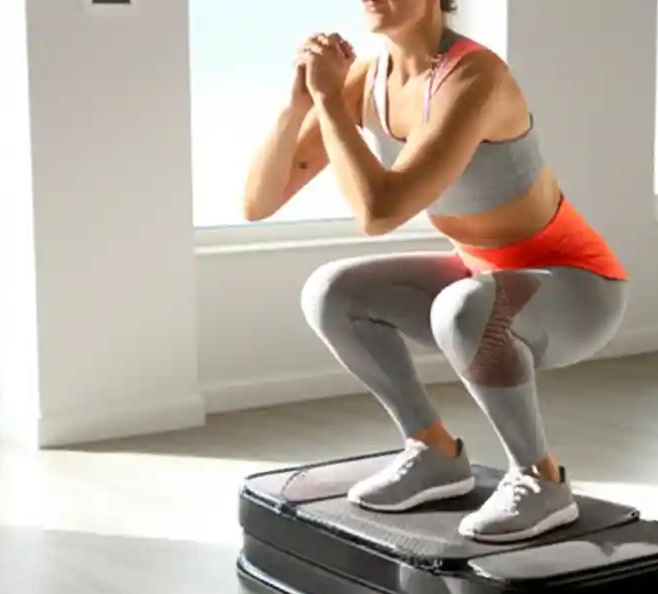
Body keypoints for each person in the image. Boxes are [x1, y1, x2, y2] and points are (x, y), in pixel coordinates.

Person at [242, 0, 628, 543]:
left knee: (465, 307)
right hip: (481, 276)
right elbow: (257, 204)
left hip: (577, 289)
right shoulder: (367, 79)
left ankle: (542, 480)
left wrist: (328, 99)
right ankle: (434, 452)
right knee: (330, 292)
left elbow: (379, 212)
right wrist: (297, 103)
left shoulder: (474, 76)